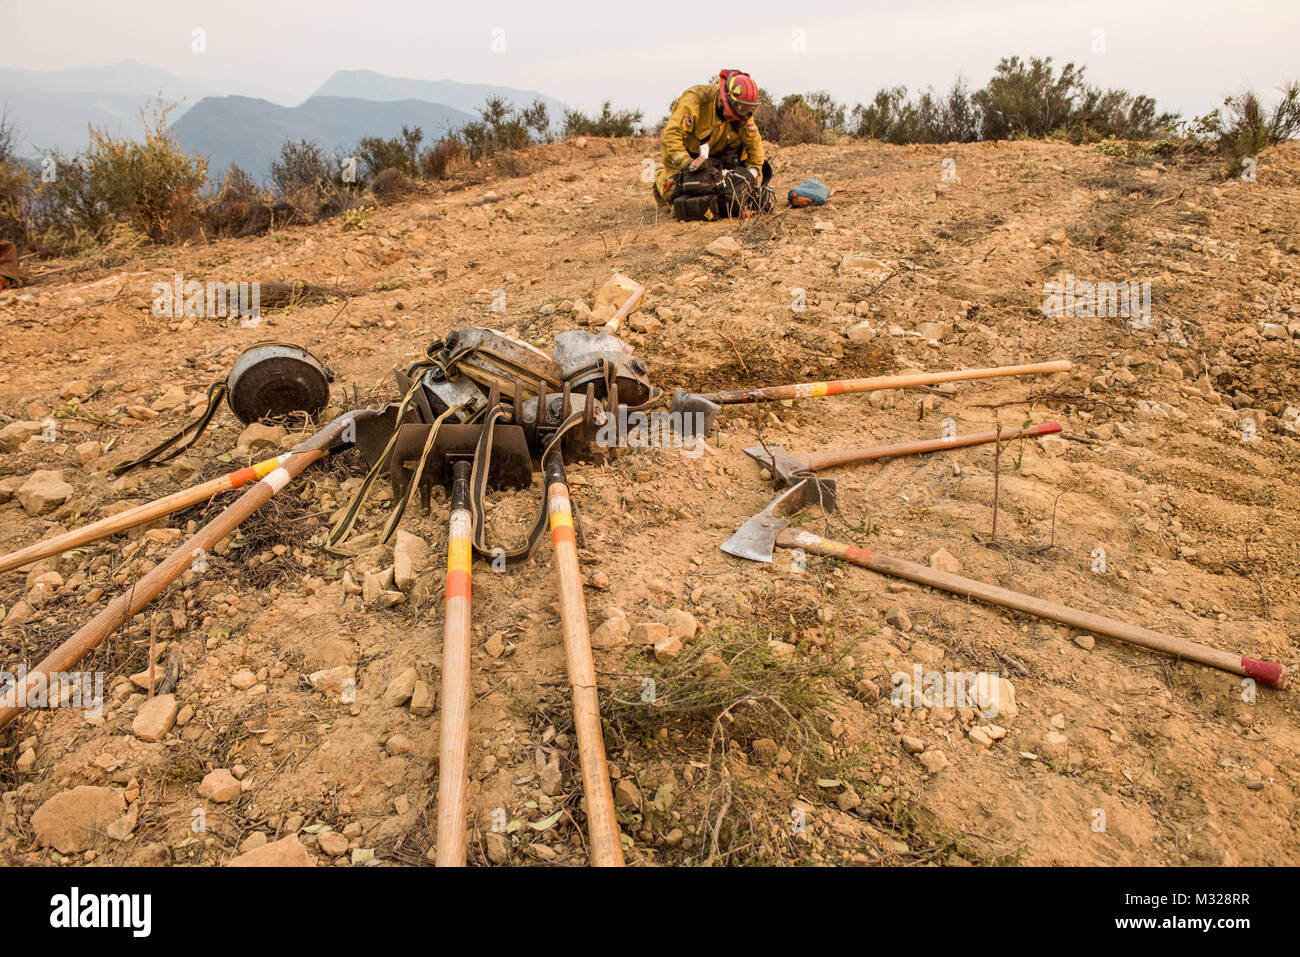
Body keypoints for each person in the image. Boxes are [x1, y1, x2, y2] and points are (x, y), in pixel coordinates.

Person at [654, 69, 765, 205]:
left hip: (719, 156)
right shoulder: (695, 100)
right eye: (731, 113)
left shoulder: (742, 109)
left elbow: (754, 143)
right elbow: (671, 136)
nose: (733, 118)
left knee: (723, 197)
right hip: (688, 155)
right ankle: (660, 179)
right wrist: (687, 163)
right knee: (682, 197)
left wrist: (752, 173)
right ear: (724, 99)